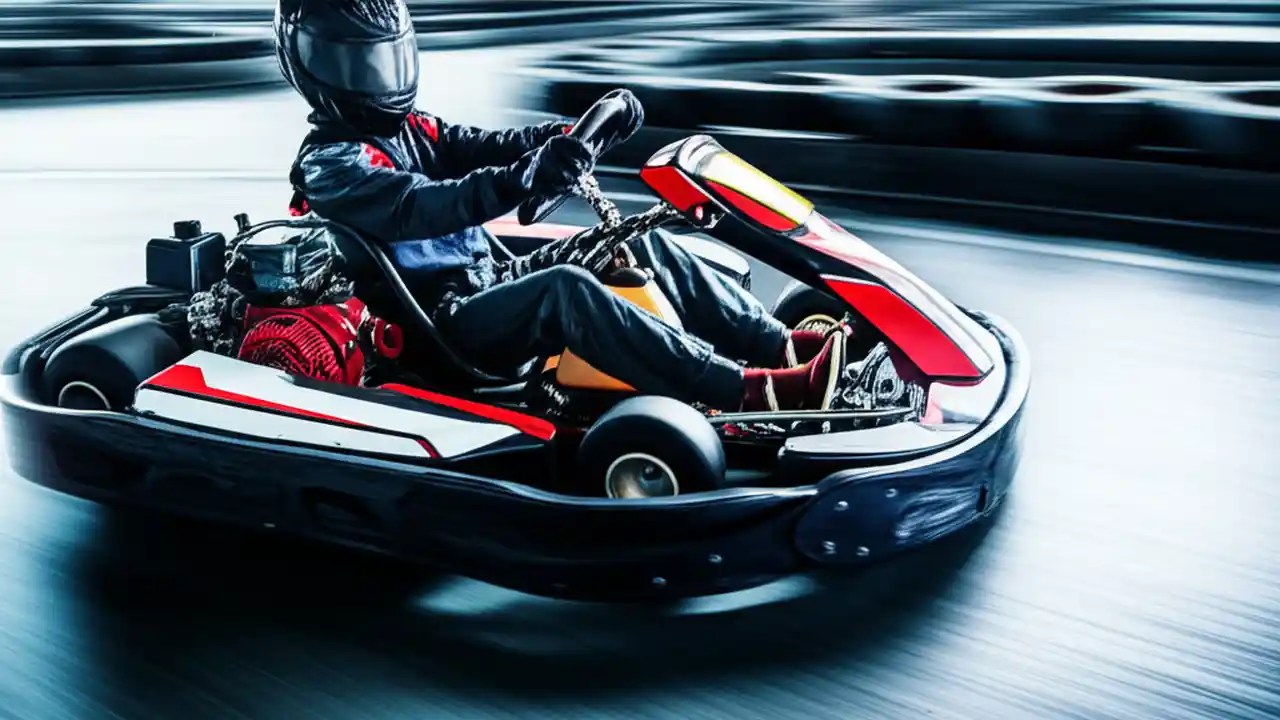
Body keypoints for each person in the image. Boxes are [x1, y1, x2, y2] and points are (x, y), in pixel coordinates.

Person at [275, 0, 847, 411]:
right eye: (359, 66)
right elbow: (424, 207)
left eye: (384, 60)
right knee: (565, 289)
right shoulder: (333, 163)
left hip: (492, 279)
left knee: (642, 241)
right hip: (444, 327)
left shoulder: (413, 131)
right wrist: (524, 177)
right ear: (314, 68)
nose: (380, 80)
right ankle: (750, 392)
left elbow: (489, 146)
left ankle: (782, 345)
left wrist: (575, 134)